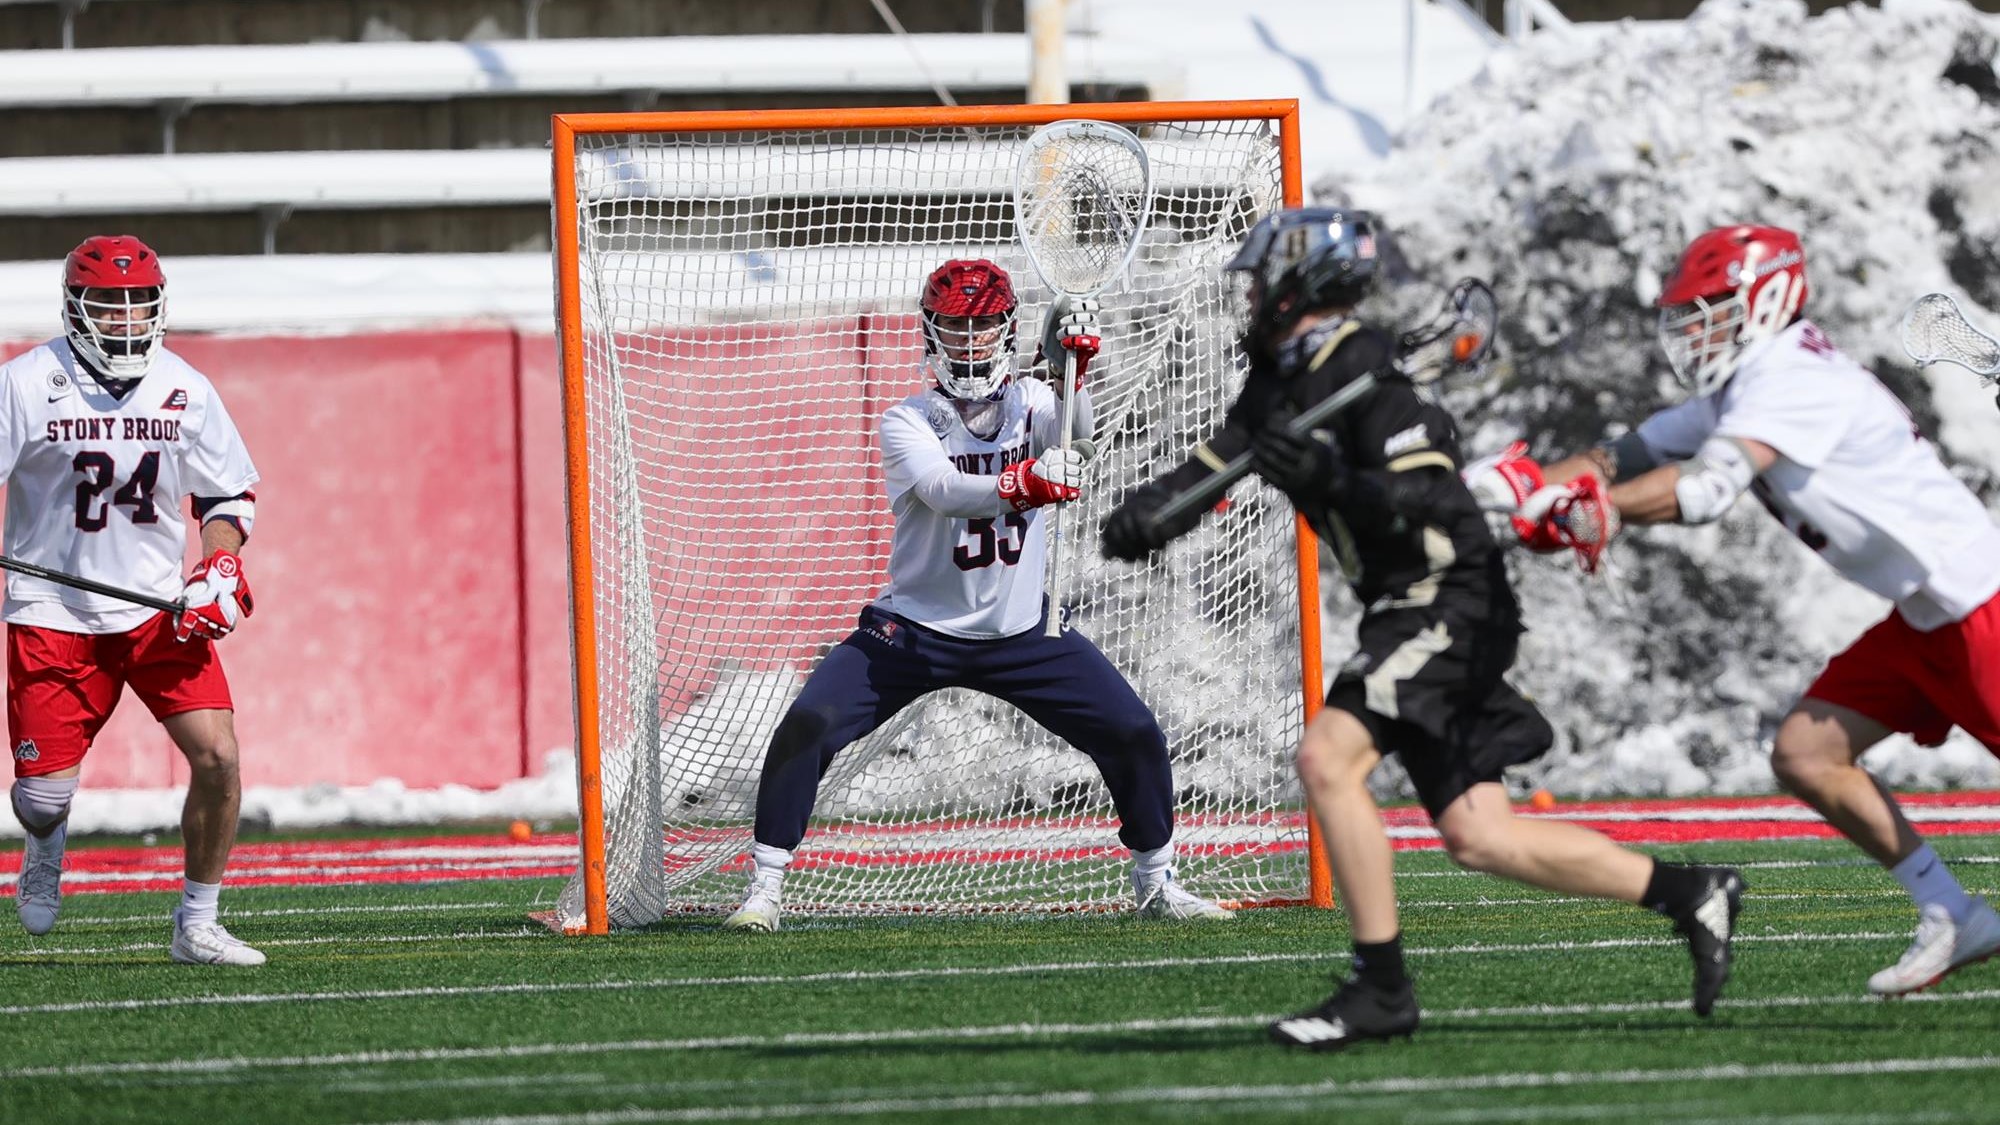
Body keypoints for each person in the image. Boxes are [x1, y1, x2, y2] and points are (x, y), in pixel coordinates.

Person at [1099, 208, 1743, 1051]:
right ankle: (1691, 890)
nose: (1251, 298)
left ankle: (1381, 989)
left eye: (1264, 282)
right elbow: (1217, 465)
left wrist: (1335, 474)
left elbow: (1432, 501)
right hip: (1407, 608)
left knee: (1326, 757)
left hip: (1450, 597)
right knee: (1481, 835)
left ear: (1305, 286)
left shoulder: (1374, 372)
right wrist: (1148, 516)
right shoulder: (1278, 383)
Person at [1510, 224, 2000, 996]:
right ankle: (1948, 910)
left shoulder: (1789, 378)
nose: (1695, 325)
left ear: (1766, 297)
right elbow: (1619, 457)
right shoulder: (1749, 380)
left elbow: (1701, 491)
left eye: (1710, 306)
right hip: (1927, 611)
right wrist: (1516, 494)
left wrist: (1584, 509)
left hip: (1980, 604)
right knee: (1807, 753)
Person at [720, 258, 1233, 931]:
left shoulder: (1032, 402)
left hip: (1022, 632)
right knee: (809, 722)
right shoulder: (908, 419)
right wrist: (1025, 482)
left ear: (1008, 328)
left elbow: (1075, 437)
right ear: (930, 334)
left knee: (1134, 732)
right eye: (956, 327)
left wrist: (1072, 363)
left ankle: (1157, 881)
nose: (970, 341)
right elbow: (944, 490)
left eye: (984, 325)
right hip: (916, 632)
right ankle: (764, 887)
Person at [4, 235, 263, 966]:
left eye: (135, 302)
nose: (123, 318)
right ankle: (45, 840)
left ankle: (197, 922)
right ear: (74, 307)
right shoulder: (26, 382)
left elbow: (226, 493)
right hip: (52, 610)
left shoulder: (185, 386)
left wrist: (217, 563)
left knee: (218, 758)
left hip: (156, 609)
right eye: (107, 303)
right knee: (41, 797)